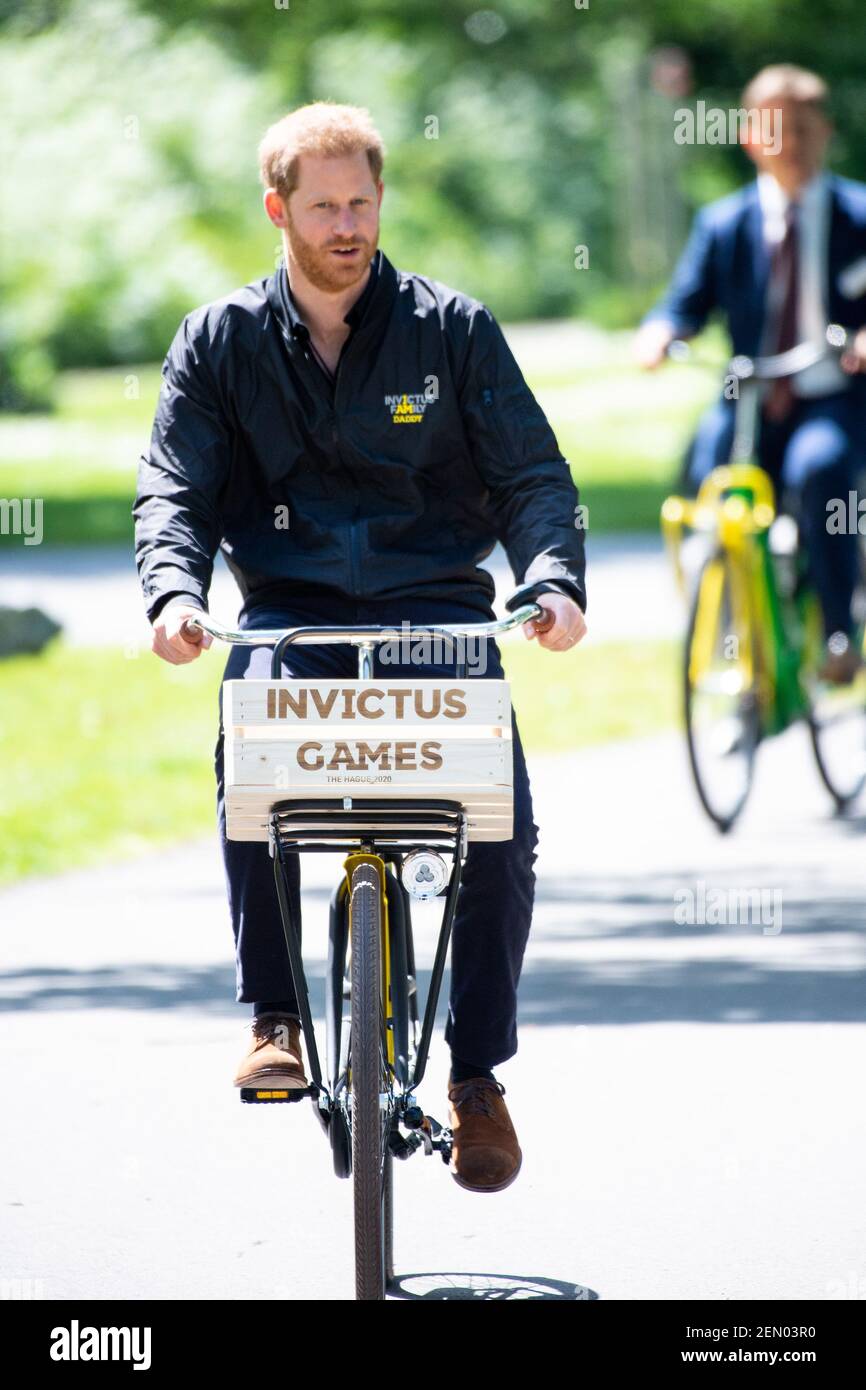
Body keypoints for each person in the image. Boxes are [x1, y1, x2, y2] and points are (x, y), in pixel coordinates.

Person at [134, 101, 587, 1194]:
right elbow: (175, 486)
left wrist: (553, 579)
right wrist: (173, 593)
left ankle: (476, 1077)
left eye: (361, 203)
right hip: (289, 617)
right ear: (277, 208)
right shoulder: (220, 341)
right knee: (248, 765)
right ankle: (277, 1016)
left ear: (381, 201)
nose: (346, 225)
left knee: (502, 830)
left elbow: (531, 473)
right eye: (323, 205)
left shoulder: (453, 329)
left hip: (437, 617)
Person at [634, 64, 866, 683]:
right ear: (749, 137)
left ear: (826, 132)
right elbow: (684, 302)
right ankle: (727, 620)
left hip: (831, 396)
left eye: (801, 128)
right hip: (747, 398)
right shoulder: (724, 223)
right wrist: (661, 332)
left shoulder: (859, 216)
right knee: (709, 469)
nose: (787, 142)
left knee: (822, 469)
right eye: (774, 129)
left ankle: (840, 628)